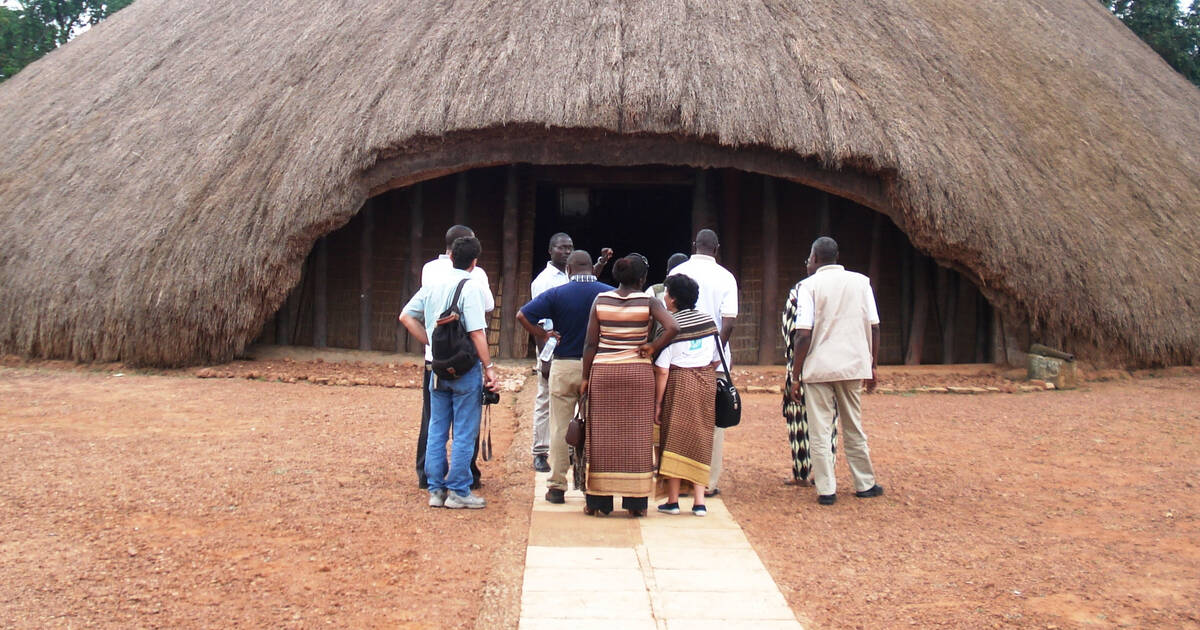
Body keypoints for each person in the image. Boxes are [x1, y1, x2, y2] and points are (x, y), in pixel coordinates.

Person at [399, 236, 499, 509]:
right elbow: (477, 333)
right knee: (465, 431)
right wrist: (489, 368)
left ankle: (435, 490)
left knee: (437, 428)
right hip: (465, 369)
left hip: (437, 367)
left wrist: (430, 341)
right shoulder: (473, 287)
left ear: (451, 257)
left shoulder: (432, 285)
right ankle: (458, 490)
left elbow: (406, 317)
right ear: (475, 262)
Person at [787, 237, 884, 505]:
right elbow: (874, 326)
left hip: (818, 369)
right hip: (852, 365)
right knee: (854, 426)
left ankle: (826, 490)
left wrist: (796, 376)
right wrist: (872, 365)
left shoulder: (808, 286)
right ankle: (864, 483)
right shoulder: (861, 282)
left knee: (819, 429)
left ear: (815, 258)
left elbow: (803, 334)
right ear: (837, 256)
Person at [579, 254, 678, 517]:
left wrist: (586, 377)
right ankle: (636, 504)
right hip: (637, 374)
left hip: (604, 373)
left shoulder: (600, 300)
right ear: (642, 279)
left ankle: (600, 501)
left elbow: (590, 343)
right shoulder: (649, 301)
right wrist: (652, 346)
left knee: (602, 438)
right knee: (637, 438)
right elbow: (672, 326)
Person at [516, 250, 613, 504]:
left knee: (560, 426)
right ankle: (596, 484)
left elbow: (522, 315)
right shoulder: (608, 293)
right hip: (597, 368)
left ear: (568, 270)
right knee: (597, 426)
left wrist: (543, 333)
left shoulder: (557, 293)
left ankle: (557, 485)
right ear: (591, 269)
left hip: (564, 366)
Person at [668, 229, 738, 497]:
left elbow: (669, 316)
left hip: (680, 358)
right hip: (715, 362)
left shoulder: (677, 273)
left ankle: (681, 482)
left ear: (693, 245)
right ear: (717, 248)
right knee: (714, 421)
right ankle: (708, 482)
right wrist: (714, 354)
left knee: (679, 418)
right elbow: (729, 321)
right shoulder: (727, 277)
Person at [653, 274, 719, 517]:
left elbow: (662, 369)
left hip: (678, 382)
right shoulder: (708, 322)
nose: (665, 297)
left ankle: (673, 500)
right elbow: (716, 358)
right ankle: (699, 502)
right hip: (705, 382)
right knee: (701, 438)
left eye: (667, 293)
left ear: (673, 298)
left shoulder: (671, 326)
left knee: (674, 439)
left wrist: (658, 403)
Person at [782, 280, 815, 487]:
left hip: (801, 366)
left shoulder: (799, 293)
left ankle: (802, 471)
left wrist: (795, 373)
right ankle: (822, 473)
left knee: (799, 420)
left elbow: (795, 334)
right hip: (829, 366)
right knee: (828, 423)